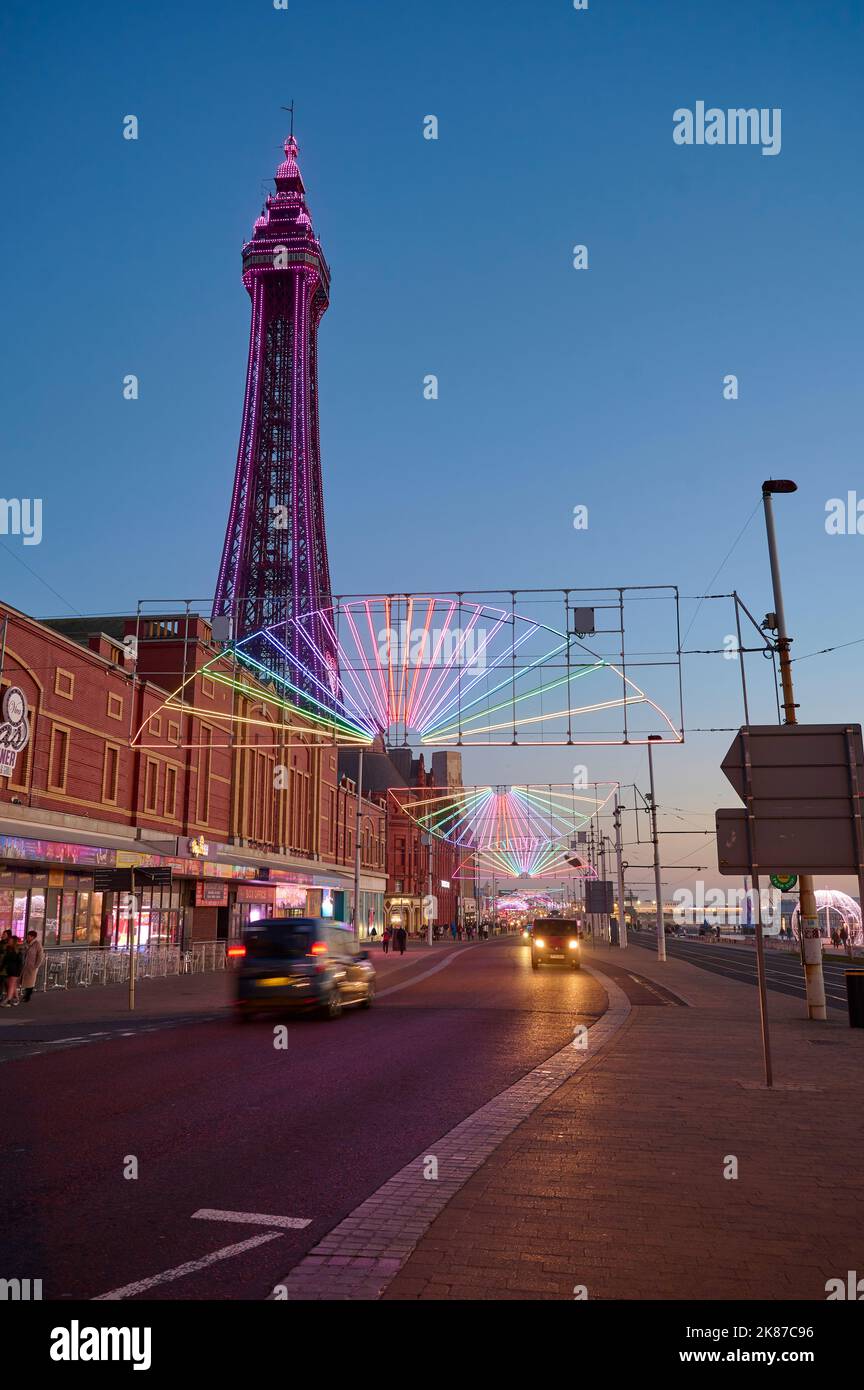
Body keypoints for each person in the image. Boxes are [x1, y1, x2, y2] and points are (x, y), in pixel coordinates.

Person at [21, 930, 44, 1003]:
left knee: (30, 982)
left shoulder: (37, 944)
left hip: (32, 966)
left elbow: (40, 956)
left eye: (29, 936)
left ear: (33, 937)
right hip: (25, 965)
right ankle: (25, 994)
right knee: (24, 980)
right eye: (27, 936)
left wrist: (36, 965)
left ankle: (27, 996)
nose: (27, 937)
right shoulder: (25, 943)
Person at [2, 934, 23, 1006]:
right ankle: (16, 998)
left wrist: (19, 972)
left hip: (15, 971)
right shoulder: (8, 949)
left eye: (10, 940)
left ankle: (8, 999)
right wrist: (1, 968)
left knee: (11, 985)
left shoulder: (18, 951)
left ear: (14, 941)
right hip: (9, 970)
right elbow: (5, 960)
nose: (9, 941)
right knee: (12, 985)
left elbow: (20, 962)